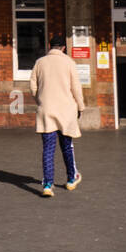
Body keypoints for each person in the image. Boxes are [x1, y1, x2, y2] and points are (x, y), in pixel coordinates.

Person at [28, 34, 84, 196]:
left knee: (48, 149)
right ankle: (71, 178)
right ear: (64, 48)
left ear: (49, 45)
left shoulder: (40, 62)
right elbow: (76, 88)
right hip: (66, 111)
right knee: (67, 146)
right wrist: (80, 106)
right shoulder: (69, 62)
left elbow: (32, 85)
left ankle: (47, 185)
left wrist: (40, 99)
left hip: (46, 110)